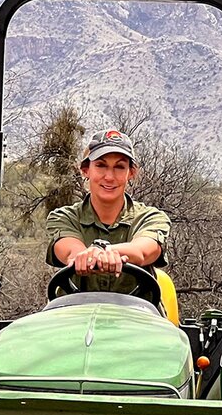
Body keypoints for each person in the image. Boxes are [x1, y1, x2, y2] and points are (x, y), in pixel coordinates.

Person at [45, 128, 170, 298]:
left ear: (131, 173)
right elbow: (70, 252)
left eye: (119, 167)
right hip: (75, 317)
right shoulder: (63, 217)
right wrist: (86, 256)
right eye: (101, 165)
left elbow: (142, 251)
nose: (109, 177)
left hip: (137, 318)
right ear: (85, 170)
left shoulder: (151, 218)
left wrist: (105, 251)